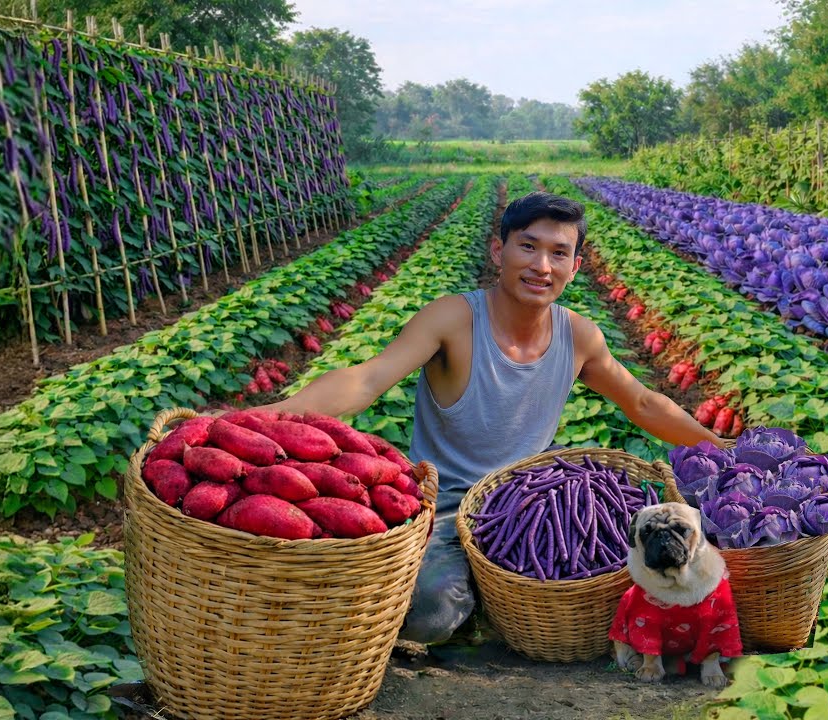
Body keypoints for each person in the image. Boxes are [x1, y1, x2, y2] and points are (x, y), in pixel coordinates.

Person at [257, 191, 724, 645]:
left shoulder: (579, 336)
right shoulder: (453, 319)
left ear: (575, 267)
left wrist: (722, 451)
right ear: (499, 251)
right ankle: (482, 593)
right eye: (528, 247)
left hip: (532, 501)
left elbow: (642, 403)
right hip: (446, 509)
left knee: (642, 563)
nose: (542, 266)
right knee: (431, 615)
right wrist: (263, 417)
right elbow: (365, 380)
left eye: (559, 253)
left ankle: (501, 594)